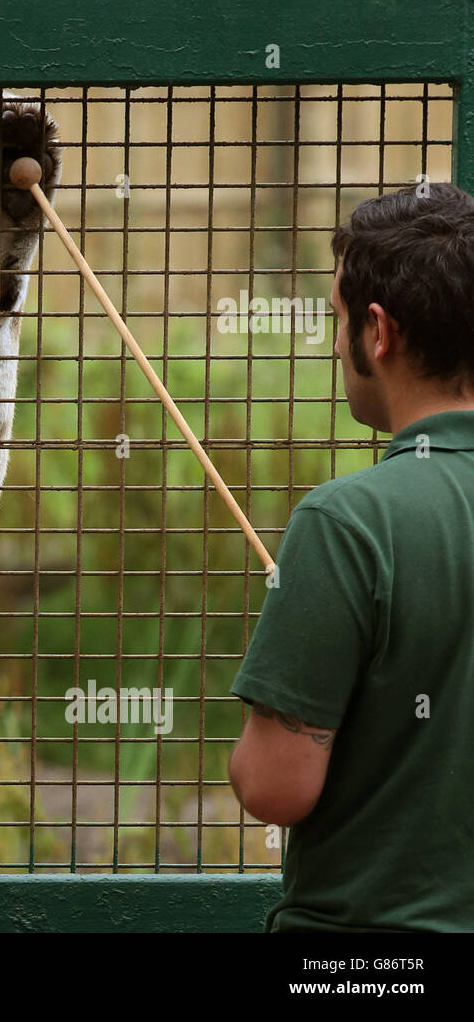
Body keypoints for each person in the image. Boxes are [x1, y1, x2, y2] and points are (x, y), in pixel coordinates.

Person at [228, 183, 474, 932]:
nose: (336, 344)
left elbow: (276, 788)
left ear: (378, 331)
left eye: (337, 319)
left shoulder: (347, 523)